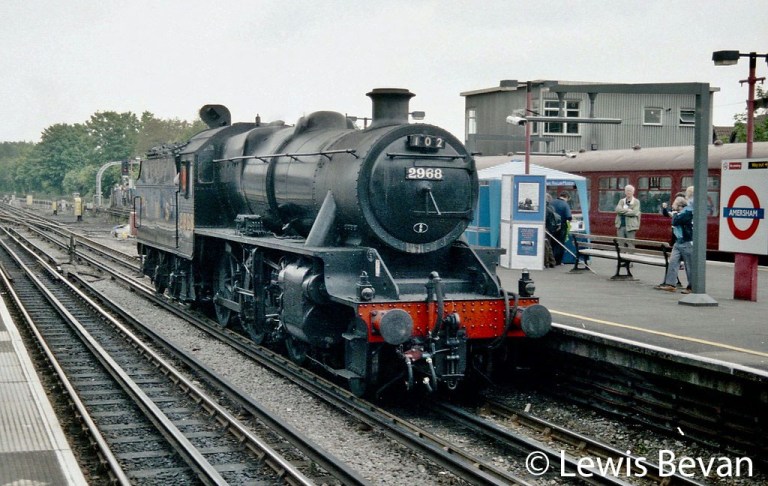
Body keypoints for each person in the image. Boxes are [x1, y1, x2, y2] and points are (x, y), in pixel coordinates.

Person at [655, 186, 694, 294]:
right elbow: (673, 217)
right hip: (678, 241)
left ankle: (692, 287)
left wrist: (675, 214)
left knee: (689, 265)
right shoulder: (685, 209)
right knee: (673, 261)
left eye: (687, 194)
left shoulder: (689, 210)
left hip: (687, 241)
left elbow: (676, 221)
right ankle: (671, 284)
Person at [550, 192, 572, 265]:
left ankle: (550, 260)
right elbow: (569, 217)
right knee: (560, 244)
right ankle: (558, 261)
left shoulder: (552, 202)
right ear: (566, 197)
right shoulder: (565, 204)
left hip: (551, 227)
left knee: (551, 243)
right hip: (561, 227)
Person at [544, 194, 560, 268]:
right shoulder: (551, 207)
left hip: (545, 228)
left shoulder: (545, 209)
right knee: (548, 245)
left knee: (546, 246)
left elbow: (545, 219)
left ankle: (546, 263)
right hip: (550, 229)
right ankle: (552, 262)